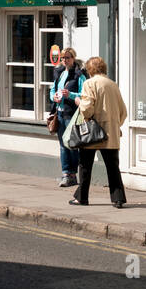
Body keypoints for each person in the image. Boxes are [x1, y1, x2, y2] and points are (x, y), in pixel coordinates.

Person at [70, 56, 129, 209]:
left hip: (92, 131)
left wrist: (79, 102)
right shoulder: (112, 84)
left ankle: (82, 198)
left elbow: (87, 109)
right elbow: (123, 111)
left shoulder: (89, 83)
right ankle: (118, 199)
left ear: (90, 70)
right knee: (113, 167)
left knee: (85, 166)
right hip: (111, 132)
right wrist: (115, 125)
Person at [51, 48, 87, 188]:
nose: (65, 60)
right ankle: (66, 173)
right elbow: (53, 90)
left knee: (71, 144)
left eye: (68, 57)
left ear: (73, 58)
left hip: (71, 114)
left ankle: (72, 175)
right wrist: (53, 97)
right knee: (62, 145)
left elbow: (84, 94)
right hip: (60, 113)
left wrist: (70, 95)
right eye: (63, 58)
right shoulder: (60, 73)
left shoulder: (79, 75)